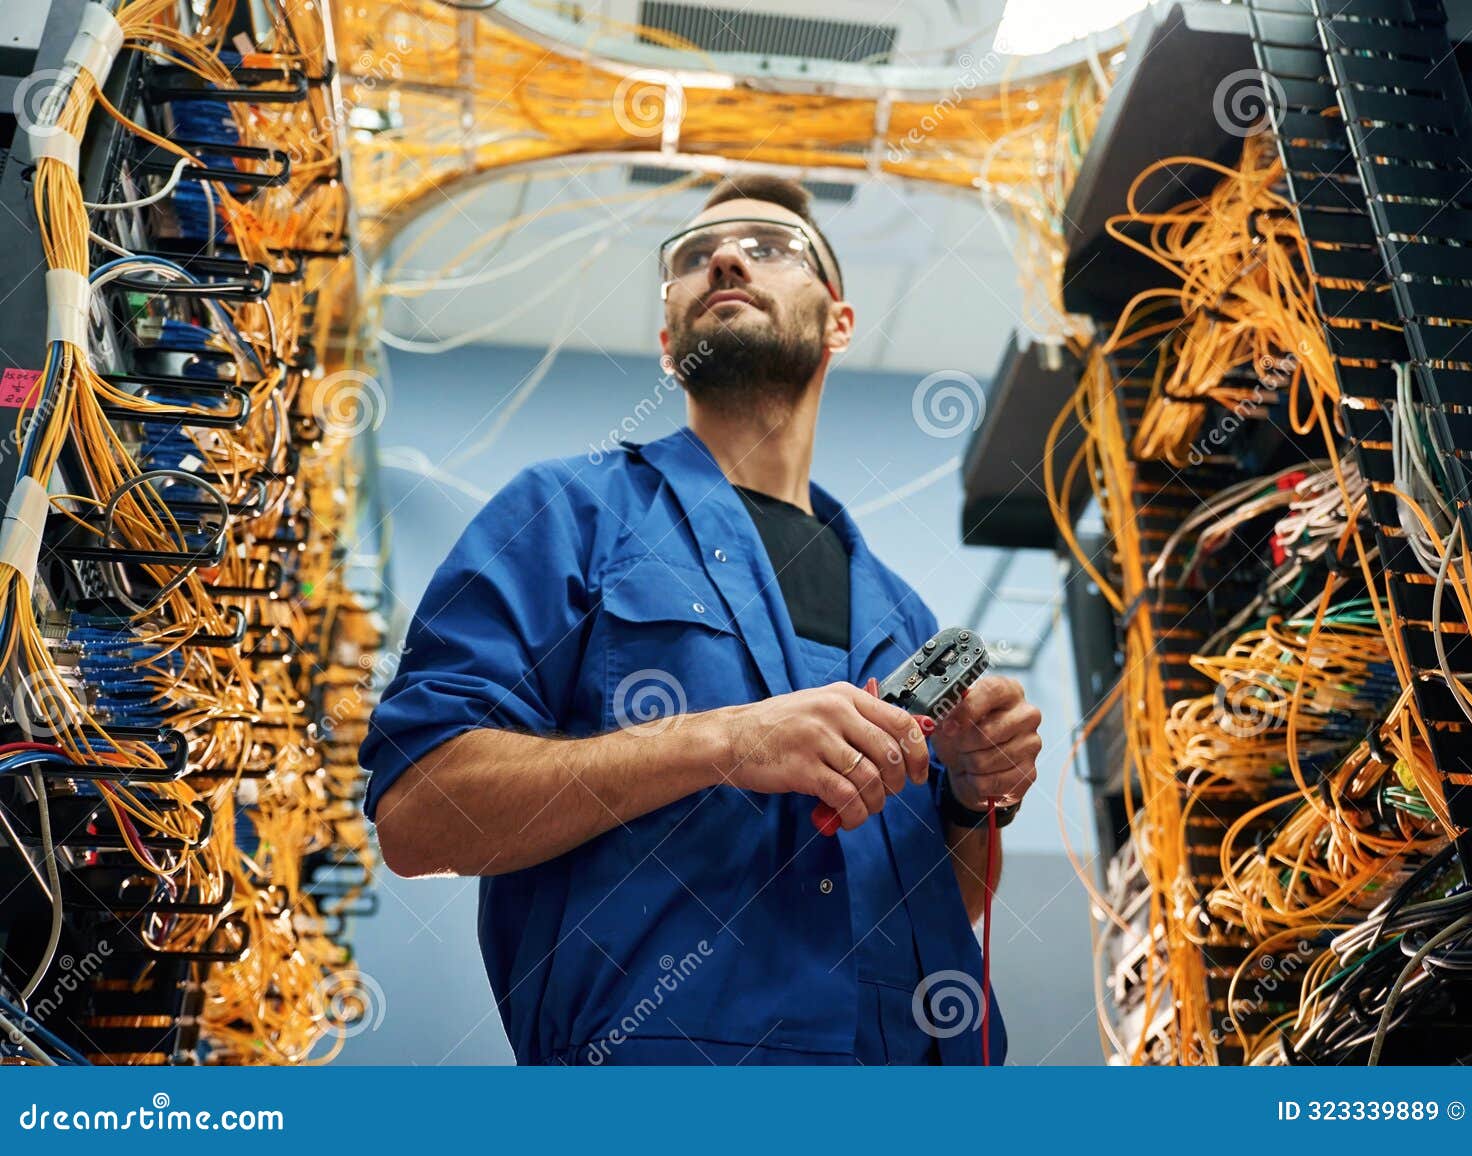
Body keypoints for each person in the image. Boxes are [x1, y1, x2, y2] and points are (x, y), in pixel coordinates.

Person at [359, 174, 1044, 1065]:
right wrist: (723, 743)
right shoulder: (568, 515)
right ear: (666, 338)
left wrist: (965, 796)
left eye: (772, 248)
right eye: (692, 258)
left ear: (839, 321)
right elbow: (419, 818)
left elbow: (938, 907)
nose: (724, 257)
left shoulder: (905, 618)